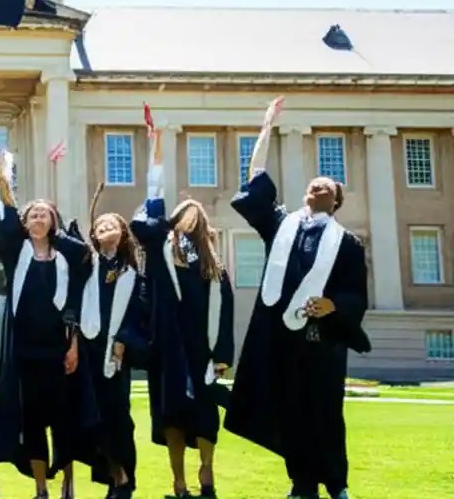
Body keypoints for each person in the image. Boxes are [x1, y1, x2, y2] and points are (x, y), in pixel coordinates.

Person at [227, 97, 370, 499]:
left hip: (321, 341)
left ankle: (337, 483)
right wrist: (265, 129)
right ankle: (301, 483)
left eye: (326, 184)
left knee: (325, 412)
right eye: (313, 182)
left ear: (335, 200)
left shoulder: (347, 244)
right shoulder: (282, 226)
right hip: (284, 339)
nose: (317, 183)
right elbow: (256, 183)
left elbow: (355, 291)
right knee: (290, 412)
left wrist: (335, 305)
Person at [130, 127, 234, 499]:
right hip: (169, 348)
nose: (189, 218)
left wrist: (222, 355)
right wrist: (155, 181)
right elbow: (141, 226)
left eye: (196, 214)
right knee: (171, 415)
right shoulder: (161, 258)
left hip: (201, 349)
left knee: (205, 417)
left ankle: (206, 472)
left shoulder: (213, 267)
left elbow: (226, 313)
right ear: (173, 224)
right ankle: (178, 482)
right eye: (182, 215)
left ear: (203, 224)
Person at [0, 150, 93, 499]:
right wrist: (5, 185)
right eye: (32, 215)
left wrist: (74, 345)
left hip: (60, 352)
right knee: (32, 421)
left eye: (44, 215)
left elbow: (84, 259)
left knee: (63, 420)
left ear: (53, 220)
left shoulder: (66, 257)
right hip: (24, 352)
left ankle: (68, 482)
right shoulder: (14, 254)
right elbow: (4, 222)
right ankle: (40, 487)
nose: (37, 220)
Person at [74, 198, 147, 499]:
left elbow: (139, 313)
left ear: (123, 231)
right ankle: (113, 476)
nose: (105, 227)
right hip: (87, 352)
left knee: (118, 418)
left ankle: (125, 479)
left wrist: (124, 341)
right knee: (92, 418)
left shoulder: (134, 272)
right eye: (100, 225)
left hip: (115, 355)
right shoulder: (86, 265)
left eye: (112, 224)